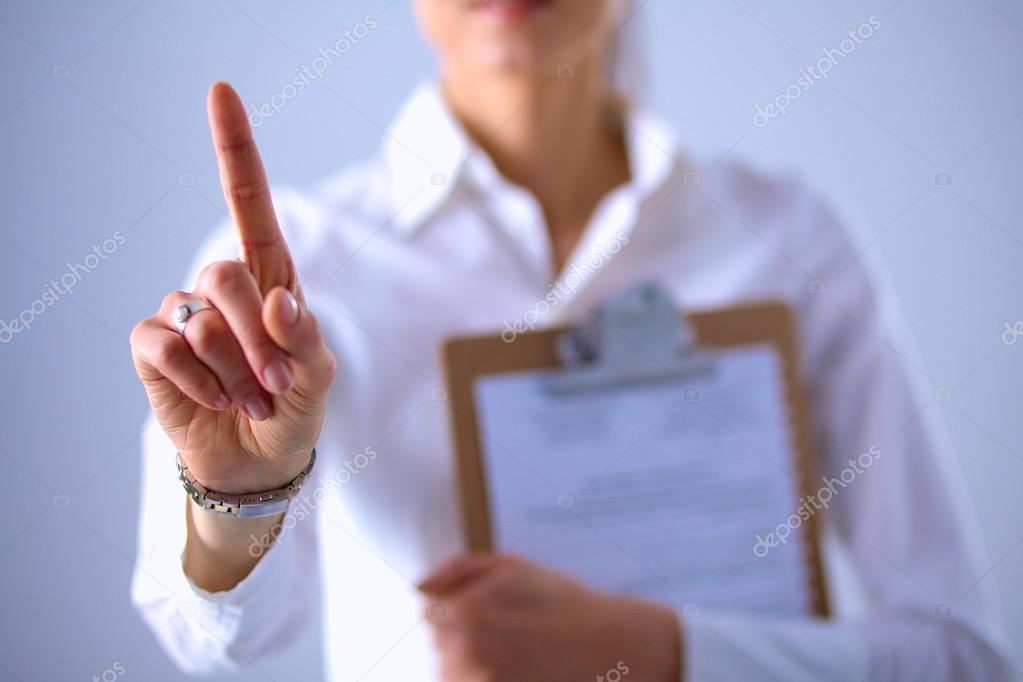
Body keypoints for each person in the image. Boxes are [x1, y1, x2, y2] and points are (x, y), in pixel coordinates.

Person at [129, 1, 1012, 679]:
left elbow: (961, 657)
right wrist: (239, 494)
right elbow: (215, 642)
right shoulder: (289, 274)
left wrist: (662, 652)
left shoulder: (787, 236)